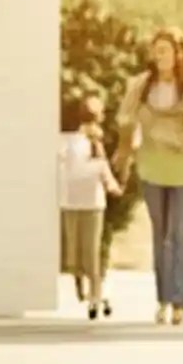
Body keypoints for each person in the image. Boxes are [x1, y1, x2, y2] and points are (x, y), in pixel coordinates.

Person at [113, 27, 183, 325]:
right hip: (152, 166)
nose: (160, 56)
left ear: (179, 53)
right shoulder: (142, 85)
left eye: (166, 50)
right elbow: (125, 117)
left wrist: (162, 128)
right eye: (156, 50)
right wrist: (125, 150)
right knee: (160, 235)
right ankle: (163, 299)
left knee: (178, 235)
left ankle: (180, 301)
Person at [59, 95, 123, 320]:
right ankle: (83, 286)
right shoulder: (69, 141)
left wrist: (114, 186)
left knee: (91, 255)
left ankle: (95, 298)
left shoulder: (97, 143)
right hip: (71, 203)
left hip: (93, 205)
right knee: (73, 258)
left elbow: (103, 170)